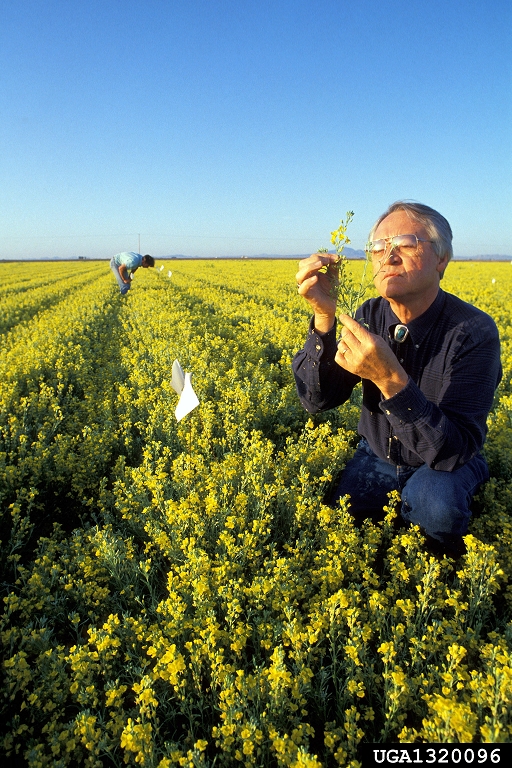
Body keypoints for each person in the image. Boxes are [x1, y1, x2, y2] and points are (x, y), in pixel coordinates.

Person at [293, 201, 502, 556]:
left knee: (435, 505)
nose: (387, 257)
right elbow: (317, 400)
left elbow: (453, 450)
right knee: (346, 529)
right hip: (377, 454)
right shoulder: (368, 314)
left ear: (441, 260)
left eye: (405, 245)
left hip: (441, 464)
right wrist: (323, 317)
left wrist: (390, 380)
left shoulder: (473, 332)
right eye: (377, 248)